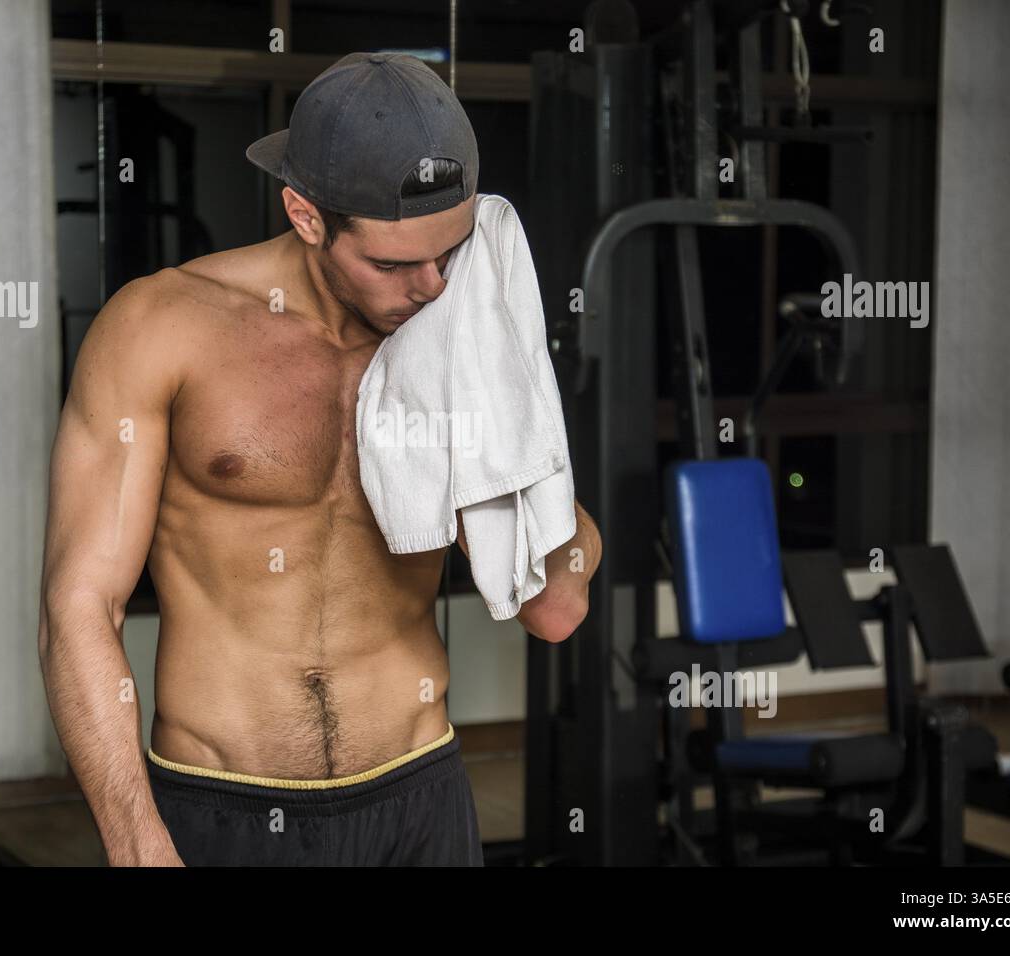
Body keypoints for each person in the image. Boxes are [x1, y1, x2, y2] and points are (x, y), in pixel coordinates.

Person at [37, 51, 601, 867]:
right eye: (393, 263)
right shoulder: (161, 327)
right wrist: (135, 841)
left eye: (449, 252)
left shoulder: (460, 343)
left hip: (420, 792)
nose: (433, 287)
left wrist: (519, 473)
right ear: (305, 215)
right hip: (222, 806)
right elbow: (80, 605)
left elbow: (559, 607)